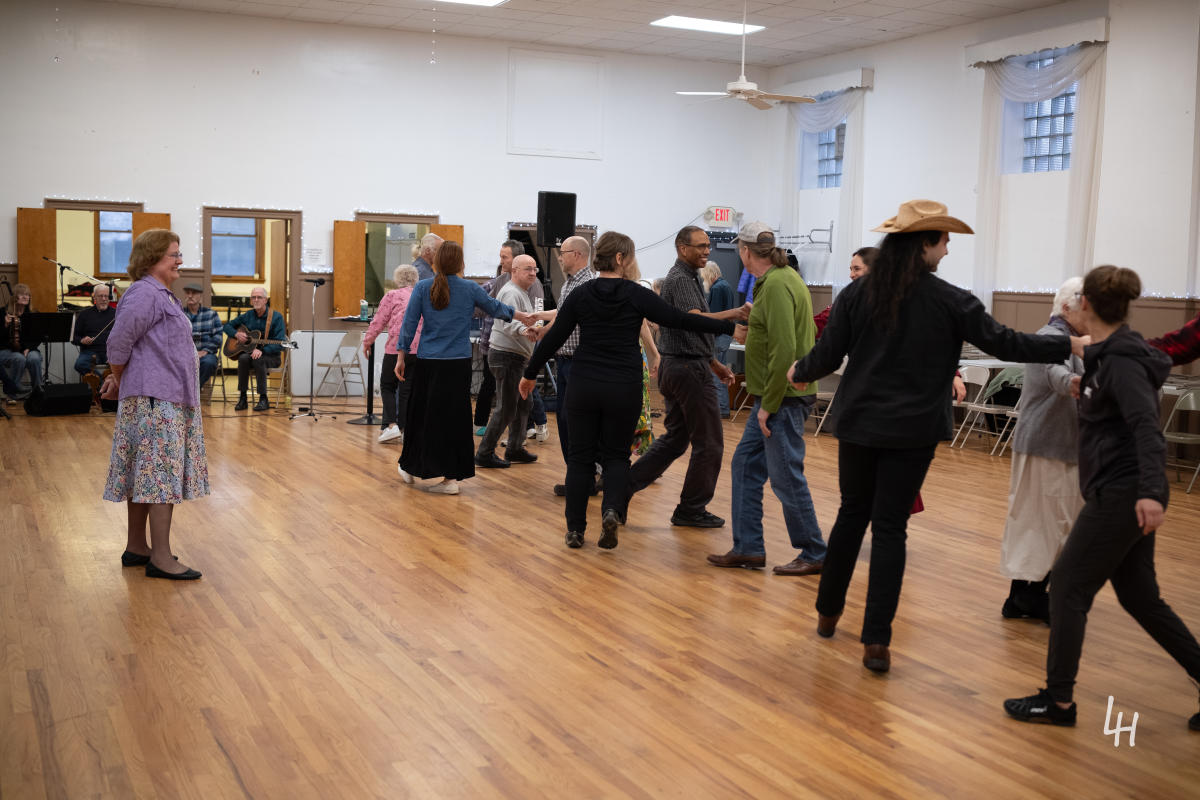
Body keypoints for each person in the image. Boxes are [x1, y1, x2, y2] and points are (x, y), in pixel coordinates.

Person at [788, 199, 1086, 674]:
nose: (948, 249)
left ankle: (828, 614)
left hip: (862, 423)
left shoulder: (857, 293)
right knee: (889, 529)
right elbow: (1006, 342)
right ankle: (876, 642)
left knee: (851, 515)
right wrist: (1064, 342)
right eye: (944, 240)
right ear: (925, 243)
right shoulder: (951, 300)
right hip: (913, 430)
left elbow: (827, 354)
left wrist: (798, 370)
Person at [1005, 265, 1200, 732]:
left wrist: (1151, 493)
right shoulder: (1110, 354)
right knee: (1141, 597)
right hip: (1118, 491)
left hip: (1124, 494)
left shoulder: (1122, 361)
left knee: (1069, 584)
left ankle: (1058, 701)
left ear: (1085, 304)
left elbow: (1147, 431)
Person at [519, 231, 737, 550]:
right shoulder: (636, 294)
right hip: (623, 386)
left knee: (580, 459)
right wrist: (729, 324)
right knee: (617, 457)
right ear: (621, 259)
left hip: (584, 383)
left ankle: (576, 530)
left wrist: (529, 374)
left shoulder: (582, 294)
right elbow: (678, 320)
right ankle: (612, 511)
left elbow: (553, 339)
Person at [707, 222, 827, 575]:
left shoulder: (775, 285)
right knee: (744, 466)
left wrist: (769, 405)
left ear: (744, 252)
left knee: (786, 476)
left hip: (782, 398)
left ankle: (815, 551)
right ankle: (748, 547)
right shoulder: (782, 279)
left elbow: (784, 350)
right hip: (775, 397)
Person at [100, 229, 207, 580]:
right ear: (152, 259)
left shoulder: (160, 294)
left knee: (144, 475)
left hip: (159, 397)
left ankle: (137, 547)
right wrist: (118, 376)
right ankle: (160, 556)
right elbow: (118, 344)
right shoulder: (145, 294)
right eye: (173, 255)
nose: (180, 260)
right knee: (160, 478)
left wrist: (122, 378)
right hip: (155, 400)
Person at [626, 226, 750, 529]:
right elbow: (693, 320)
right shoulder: (681, 279)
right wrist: (732, 318)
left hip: (683, 366)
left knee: (676, 440)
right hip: (686, 371)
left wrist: (713, 363)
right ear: (683, 248)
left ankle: (624, 485)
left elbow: (686, 329)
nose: (707, 251)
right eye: (701, 246)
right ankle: (691, 509)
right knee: (709, 443)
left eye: (709, 246)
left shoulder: (689, 277)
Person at [396, 241, 534, 495]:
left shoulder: (423, 288)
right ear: (460, 263)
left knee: (422, 418)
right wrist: (521, 316)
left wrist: (400, 356)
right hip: (458, 365)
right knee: (454, 421)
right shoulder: (470, 288)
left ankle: (411, 467)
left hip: (429, 364)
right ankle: (451, 480)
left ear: (436, 262)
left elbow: (409, 324)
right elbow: (496, 309)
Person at [998, 277, 1087, 623]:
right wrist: (1081, 383)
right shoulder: (1050, 338)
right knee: (1043, 523)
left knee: (1051, 523)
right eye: (1086, 309)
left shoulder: (1071, 339)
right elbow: (1057, 376)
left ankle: (1024, 597)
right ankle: (1027, 597)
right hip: (1045, 445)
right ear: (1066, 308)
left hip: (1059, 445)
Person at [475, 255, 541, 468]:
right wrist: (526, 330)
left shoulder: (520, 292)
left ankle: (514, 448)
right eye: (527, 269)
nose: (533, 273)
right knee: (507, 408)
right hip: (507, 356)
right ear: (514, 271)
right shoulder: (512, 292)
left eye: (535, 269)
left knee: (524, 403)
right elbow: (509, 323)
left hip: (514, 357)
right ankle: (484, 453)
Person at [365, 265, 421, 444]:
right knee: (406, 390)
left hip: (396, 348)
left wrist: (368, 341)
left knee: (387, 385)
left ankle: (392, 426)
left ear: (398, 280)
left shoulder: (392, 296)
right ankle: (403, 430)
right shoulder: (421, 296)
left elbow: (378, 321)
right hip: (418, 349)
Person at [222, 287, 287, 411]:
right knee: (243, 358)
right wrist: (236, 334)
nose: (256, 300)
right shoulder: (248, 315)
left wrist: (263, 350)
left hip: (271, 356)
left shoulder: (276, 317)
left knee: (259, 359)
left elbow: (280, 343)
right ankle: (243, 398)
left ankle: (263, 399)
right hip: (250, 353)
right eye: (253, 297)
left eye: (259, 297)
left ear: (265, 300)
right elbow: (227, 326)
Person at [813, 247, 877, 337]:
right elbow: (825, 320)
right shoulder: (851, 297)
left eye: (857, 269)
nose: (851, 275)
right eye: (851, 269)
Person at [702, 261, 736, 417]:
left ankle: (721, 409)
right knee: (721, 371)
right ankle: (722, 407)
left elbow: (714, 318)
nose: (704, 281)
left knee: (717, 374)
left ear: (709, 274)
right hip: (726, 336)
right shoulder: (726, 286)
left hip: (718, 336)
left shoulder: (716, 288)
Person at [0, 282, 43, 399]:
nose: (25, 297)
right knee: (18, 358)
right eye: (22, 294)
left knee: (34, 358)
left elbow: (38, 336)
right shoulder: (3, 312)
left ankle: (38, 391)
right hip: (6, 350)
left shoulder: (33, 313)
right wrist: (5, 325)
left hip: (28, 348)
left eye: (27, 295)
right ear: (14, 297)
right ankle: (12, 390)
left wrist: (29, 348)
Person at [181, 283, 223, 390]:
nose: (190, 296)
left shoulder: (211, 314)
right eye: (188, 293)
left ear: (200, 296)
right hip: (185, 353)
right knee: (175, 362)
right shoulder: (179, 314)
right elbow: (174, 337)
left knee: (209, 363)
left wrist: (205, 351)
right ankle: (187, 392)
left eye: (194, 293)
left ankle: (193, 390)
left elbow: (218, 337)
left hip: (206, 354)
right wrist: (190, 353)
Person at [72, 284, 116, 377]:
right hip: (90, 351)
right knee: (80, 364)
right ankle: (101, 383)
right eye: (100, 296)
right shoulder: (84, 315)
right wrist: (82, 340)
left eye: (106, 296)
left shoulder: (116, 314)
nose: (104, 299)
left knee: (125, 365)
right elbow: (74, 337)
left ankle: (107, 386)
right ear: (94, 297)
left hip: (111, 351)